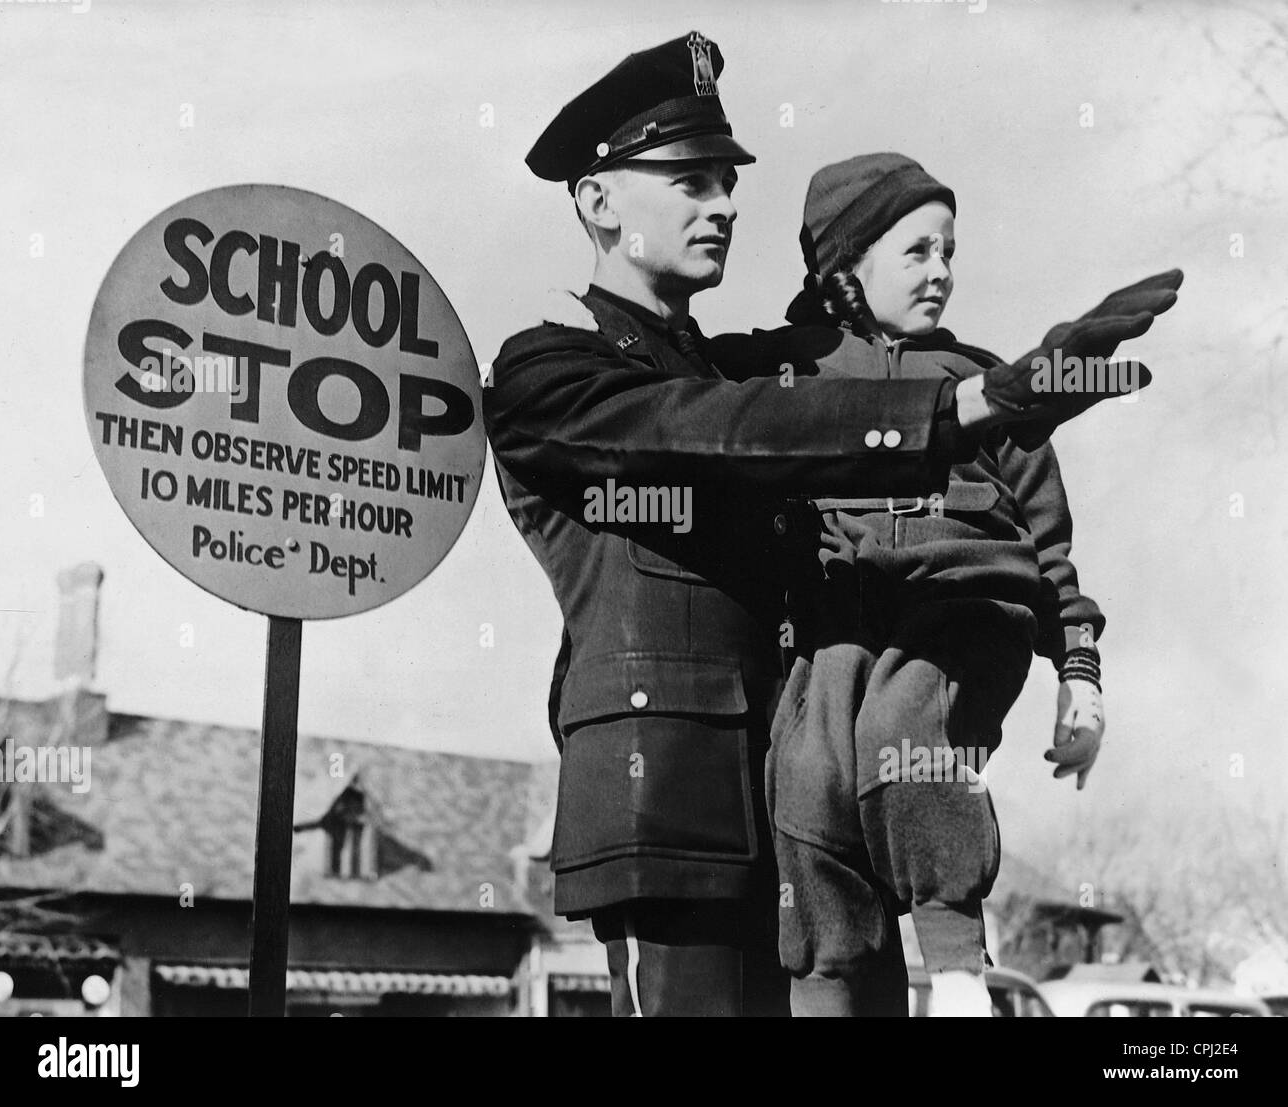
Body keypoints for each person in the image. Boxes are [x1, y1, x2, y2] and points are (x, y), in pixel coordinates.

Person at [483, 31, 1170, 1017]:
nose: (722, 205)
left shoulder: (740, 373)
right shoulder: (552, 373)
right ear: (596, 203)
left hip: (810, 809)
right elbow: (721, 433)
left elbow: (786, 424)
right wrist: (962, 406)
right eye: (688, 180)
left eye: (726, 182)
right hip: (672, 811)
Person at [707, 153, 1181, 1016]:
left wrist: (1080, 677)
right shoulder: (782, 371)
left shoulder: (986, 382)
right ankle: (826, 976)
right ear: (845, 265)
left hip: (968, 606)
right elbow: (679, 397)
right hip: (847, 611)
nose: (942, 274)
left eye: (950, 253)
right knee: (808, 762)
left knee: (902, 723)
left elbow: (1051, 542)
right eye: (918, 252)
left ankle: (958, 965)